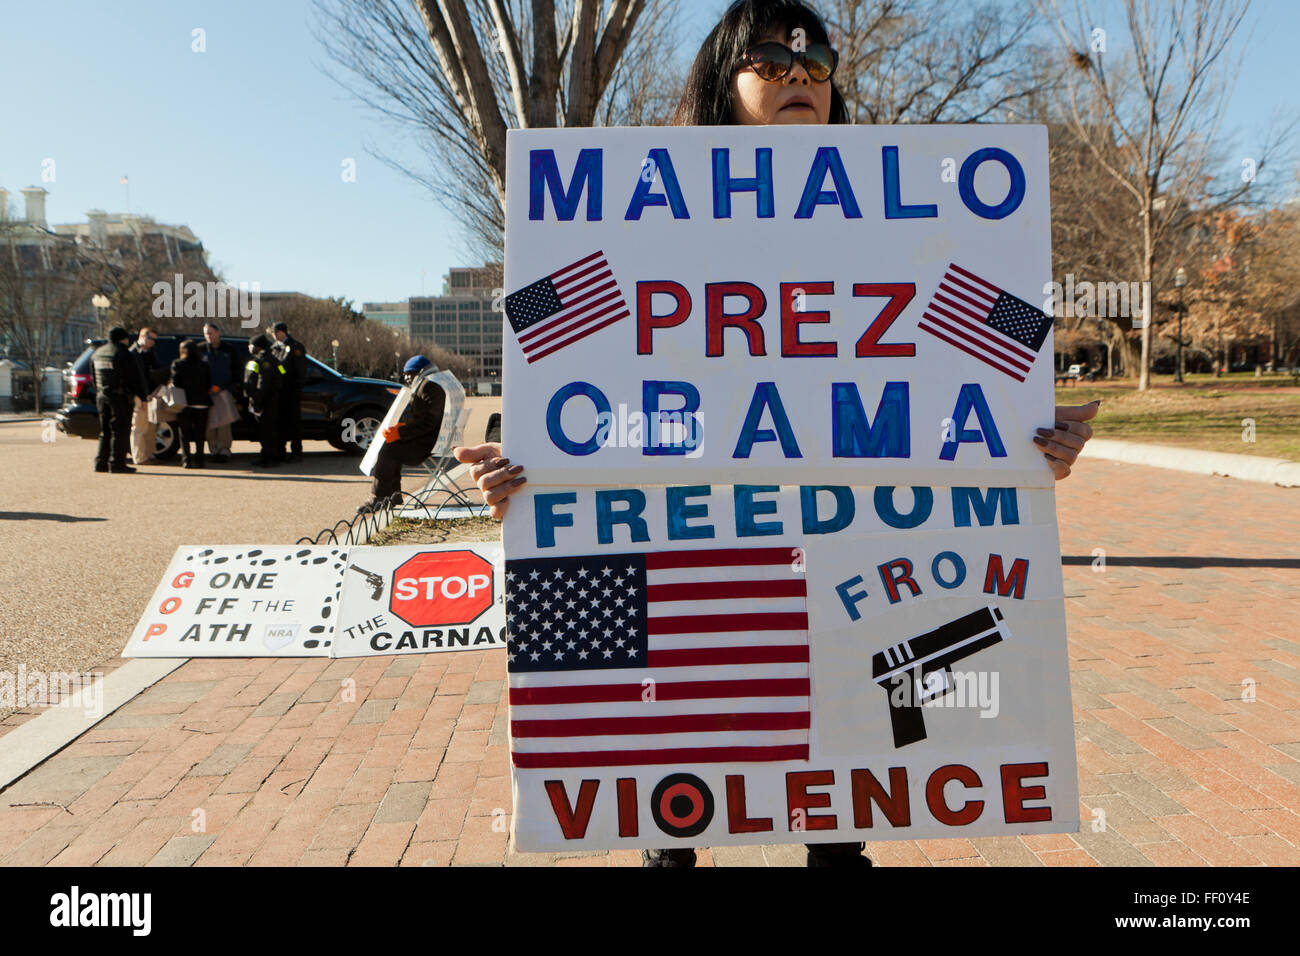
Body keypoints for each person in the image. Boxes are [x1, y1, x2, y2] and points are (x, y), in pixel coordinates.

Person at [456, 0, 1102, 866]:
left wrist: (1031, 434)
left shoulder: (906, 221)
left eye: (816, 62)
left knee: (841, 809)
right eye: (772, 58)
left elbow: (987, 351)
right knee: (668, 813)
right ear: (725, 80)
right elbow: (554, 345)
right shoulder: (626, 217)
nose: (800, 74)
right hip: (681, 554)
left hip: (853, 557)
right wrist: (526, 462)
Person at [357, 355, 447, 514]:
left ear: (420, 372)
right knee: (391, 446)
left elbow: (427, 423)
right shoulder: (433, 383)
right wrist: (401, 428)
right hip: (429, 441)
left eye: (410, 374)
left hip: (425, 445)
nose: (406, 378)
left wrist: (400, 432)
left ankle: (379, 498)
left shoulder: (429, 386)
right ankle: (393, 495)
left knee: (387, 450)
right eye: (405, 374)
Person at [92, 326, 148, 473]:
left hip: (101, 395)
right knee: (120, 430)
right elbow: (134, 378)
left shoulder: (97, 353)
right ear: (123, 339)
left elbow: (94, 377)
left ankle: (100, 463)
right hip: (120, 397)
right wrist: (142, 397)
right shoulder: (124, 353)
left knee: (105, 430)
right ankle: (117, 463)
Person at [197, 322, 240, 462]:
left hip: (224, 391)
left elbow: (236, 371)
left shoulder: (229, 349)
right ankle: (213, 450)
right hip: (205, 393)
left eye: (210, 332)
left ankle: (224, 450)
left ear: (217, 332)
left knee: (223, 422)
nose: (208, 335)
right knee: (209, 423)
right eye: (205, 333)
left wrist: (228, 388)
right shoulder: (200, 349)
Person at [170, 339, 212, 468]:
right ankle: (200, 459)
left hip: (184, 402)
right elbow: (208, 383)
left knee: (184, 433)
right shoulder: (204, 364)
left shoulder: (178, 364)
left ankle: (186, 459)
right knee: (200, 433)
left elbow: (176, 383)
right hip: (202, 402)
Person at [245, 334, 283, 466]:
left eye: (251, 345)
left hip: (266, 401)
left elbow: (263, 383)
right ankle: (268, 456)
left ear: (258, 346)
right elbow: (283, 373)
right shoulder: (273, 359)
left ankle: (269, 459)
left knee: (266, 431)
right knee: (268, 430)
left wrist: (257, 401)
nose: (249, 348)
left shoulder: (264, 361)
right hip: (271, 399)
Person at [272, 321, 308, 463]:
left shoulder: (295, 347)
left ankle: (296, 452)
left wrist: (296, 388)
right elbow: (280, 369)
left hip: (291, 391)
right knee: (280, 424)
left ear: (283, 332)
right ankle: (281, 451)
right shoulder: (275, 347)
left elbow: (300, 370)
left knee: (294, 424)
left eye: (277, 332)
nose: (275, 335)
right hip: (280, 391)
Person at [128, 326, 164, 466]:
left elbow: (155, 370)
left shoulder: (150, 352)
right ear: (142, 337)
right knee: (139, 426)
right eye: (151, 339)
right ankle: (139, 457)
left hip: (150, 393)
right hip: (139, 394)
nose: (153, 342)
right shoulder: (133, 353)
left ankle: (150, 454)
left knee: (151, 426)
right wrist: (141, 396)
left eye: (155, 339)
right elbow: (135, 378)